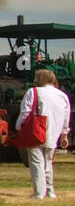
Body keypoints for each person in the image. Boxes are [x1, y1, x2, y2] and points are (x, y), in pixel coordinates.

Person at [15, 69, 71, 199]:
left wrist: (19, 126)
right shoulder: (62, 96)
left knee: (37, 162)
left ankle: (39, 192)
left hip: (36, 131)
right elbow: (65, 118)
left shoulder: (33, 92)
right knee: (48, 162)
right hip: (54, 132)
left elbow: (25, 112)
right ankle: (50, 191)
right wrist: (64, 135)